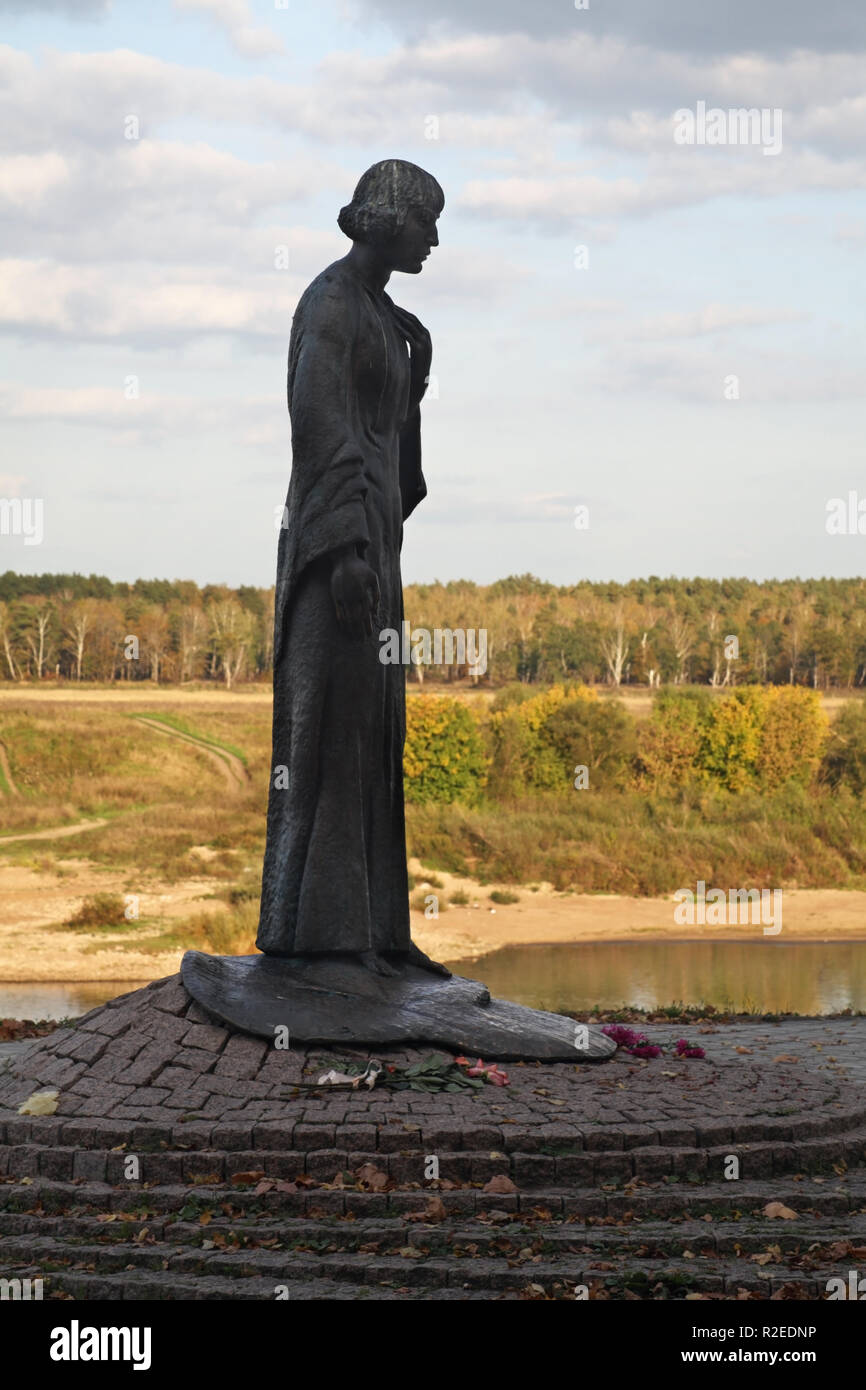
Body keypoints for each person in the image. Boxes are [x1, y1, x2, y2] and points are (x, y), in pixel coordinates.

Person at [256, 159, 448, 978]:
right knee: (329, 732)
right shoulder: (332, 303)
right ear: (385, 218)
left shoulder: (384, 314)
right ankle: (315, 942)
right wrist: (342, 555)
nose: (435, 239)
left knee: (371, 735)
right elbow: (319, 426)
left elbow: (391, 457)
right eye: (426, 223)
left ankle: (372, 936)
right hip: (339, 555)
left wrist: (419, 377)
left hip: (375, 549)